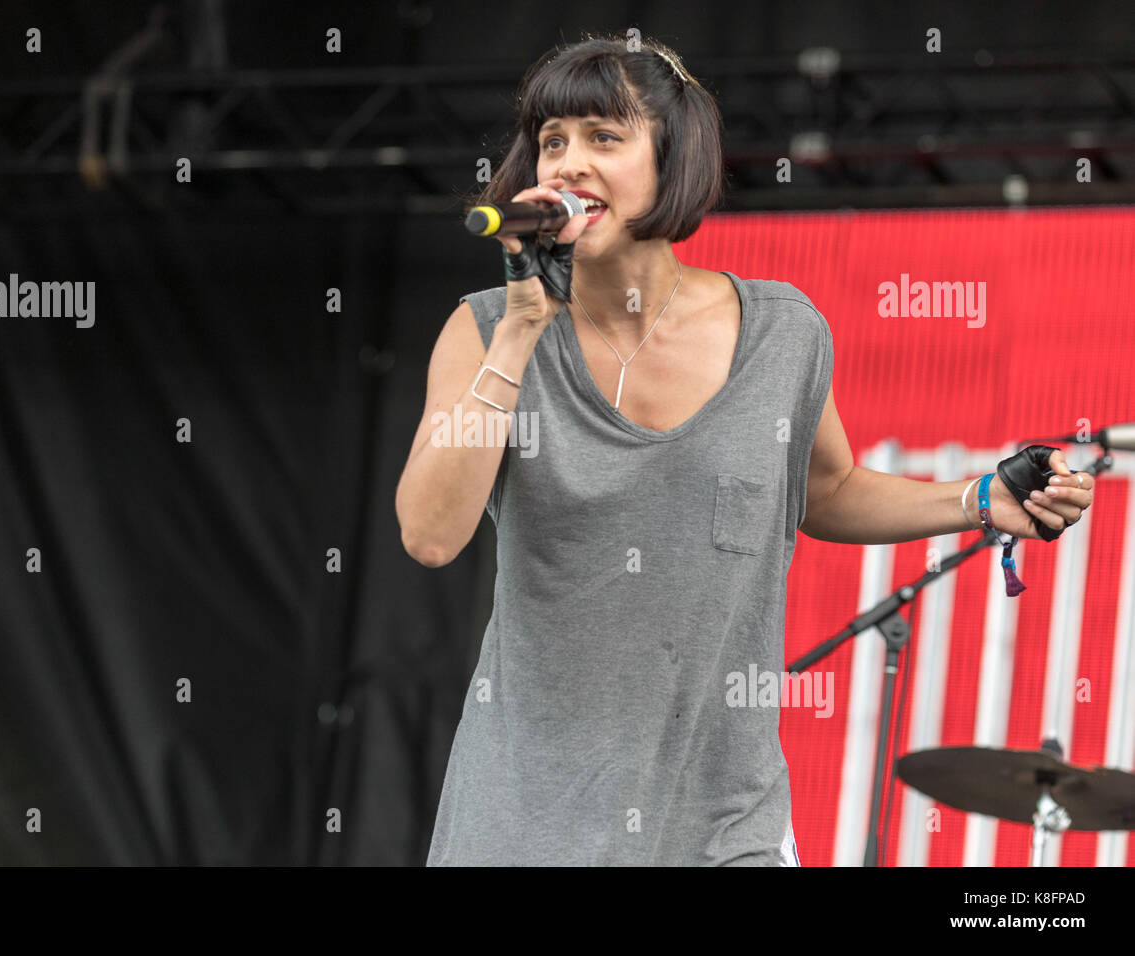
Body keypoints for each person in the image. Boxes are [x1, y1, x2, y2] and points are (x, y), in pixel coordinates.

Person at [394, 34, 1094, 865]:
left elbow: (826, 492)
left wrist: (979, 500)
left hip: (727, 827)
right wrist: (518, 335)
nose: (568, 163)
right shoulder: (483, 329)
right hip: (524, 820)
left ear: (675, 159)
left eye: (603, 137)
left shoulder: (781, 333)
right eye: (552, 141)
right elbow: (430, 535)